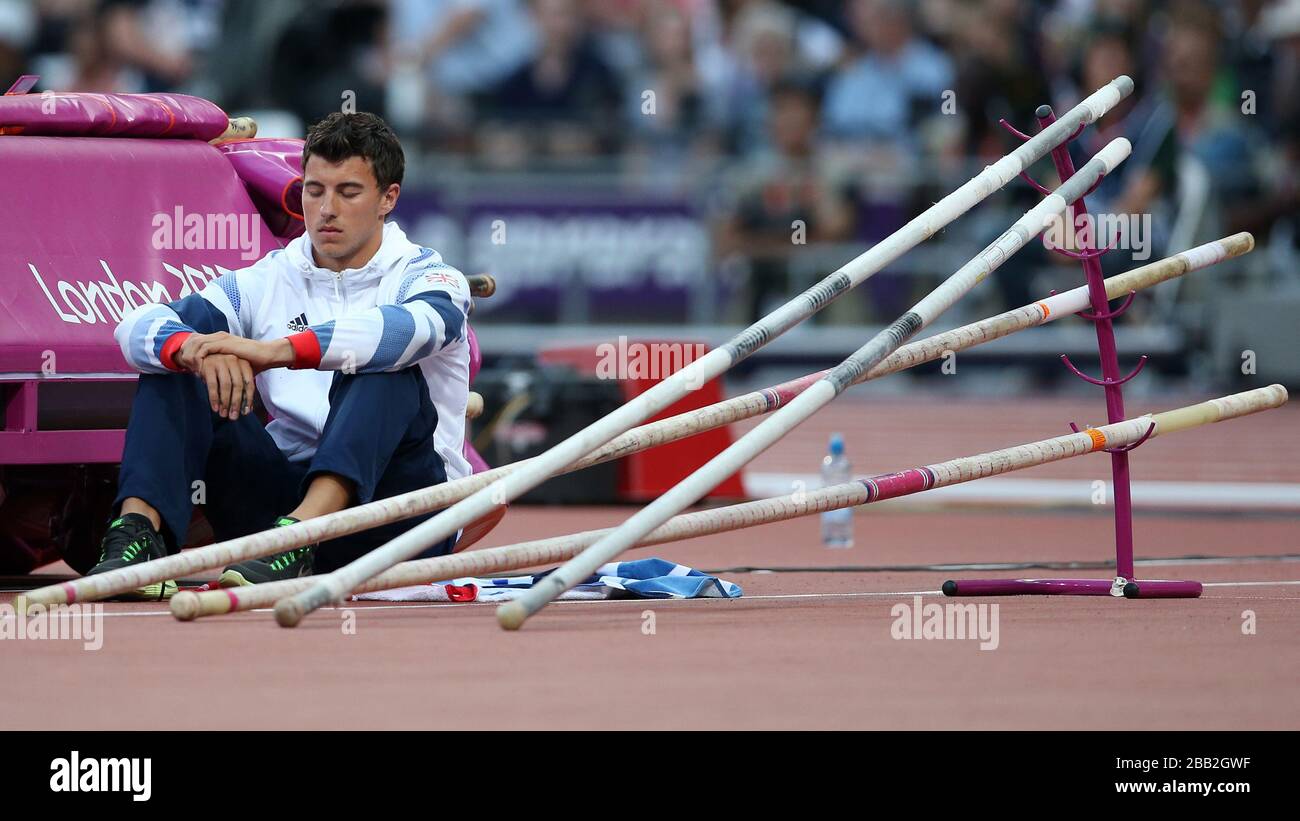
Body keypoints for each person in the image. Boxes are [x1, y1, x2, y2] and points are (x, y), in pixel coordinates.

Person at [90, 111, 473, 598]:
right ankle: (139, 537)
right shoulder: (268, 277)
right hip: (271, 514)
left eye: (348, 192)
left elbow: (414, 328)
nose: (326, 209)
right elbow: (136, 326)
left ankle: (301, 534)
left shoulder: (431, 276)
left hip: (401, 516)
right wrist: (190, 350)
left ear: (387, 199)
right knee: (178, 358)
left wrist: (273, 351)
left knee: (384, 363)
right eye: (315, 191)